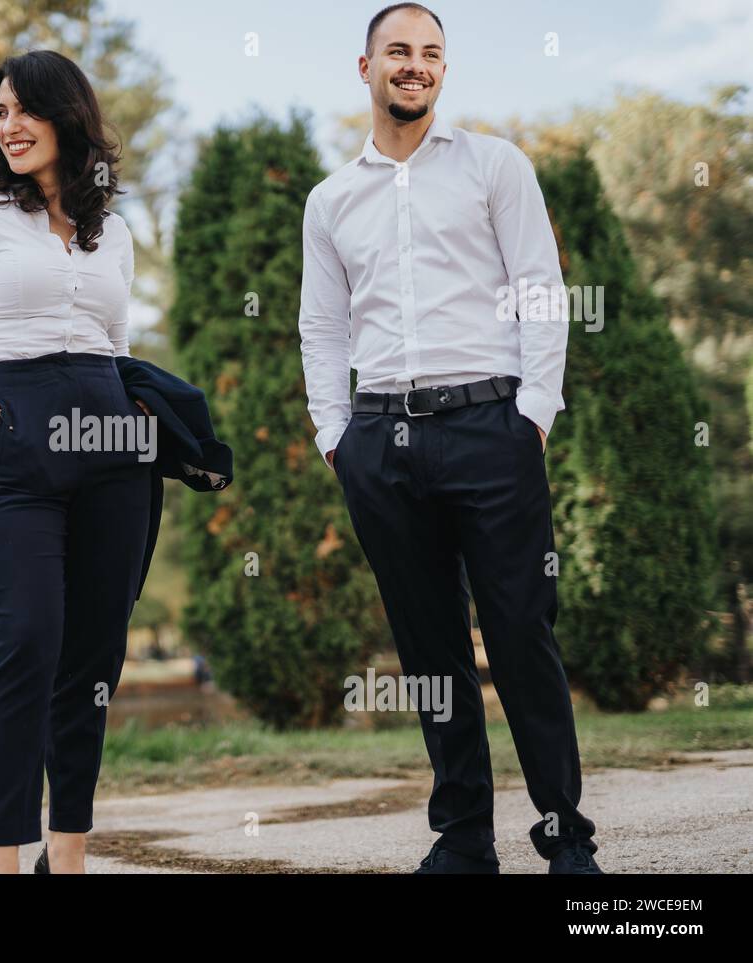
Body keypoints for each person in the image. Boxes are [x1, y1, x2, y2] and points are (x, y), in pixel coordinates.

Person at [298, 4, 602, 873]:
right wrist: (335, 435)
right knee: (430, 645)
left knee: (519, 630)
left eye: (431, 54)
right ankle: (464, 833)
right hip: (380, 438)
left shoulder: (496, 166)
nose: (416, 66)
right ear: (366, 69)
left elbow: (540, 290)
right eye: (398, 51)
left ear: (442, 71)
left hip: (490, 427)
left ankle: (564, 830)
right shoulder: (331, 200)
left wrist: (534, 412)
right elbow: (321, 328)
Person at [0, 50, 151, 874]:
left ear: (67, 116)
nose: (6, 126)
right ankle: (1, 860)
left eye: (22, 110)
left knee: (93, 658)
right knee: (27, 642)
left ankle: (70, 854)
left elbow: (118, 350)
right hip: (17, 451)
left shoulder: (113, 231)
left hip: (115, 455)